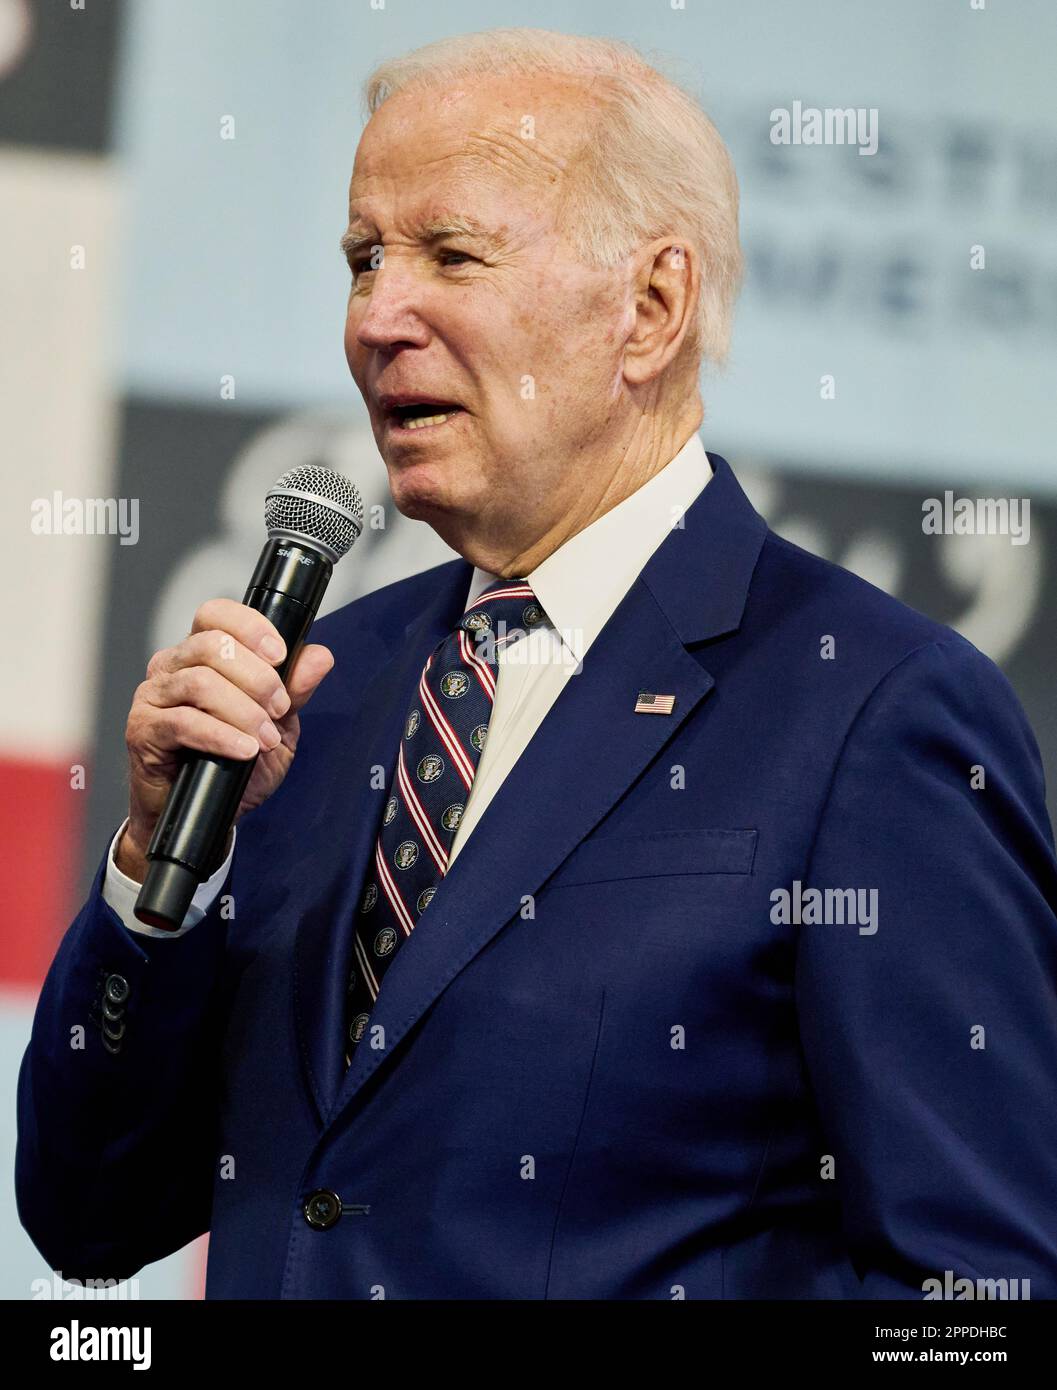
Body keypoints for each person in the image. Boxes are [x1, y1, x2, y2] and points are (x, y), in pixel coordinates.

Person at [16, 28, 1057, 1300]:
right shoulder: (316, 694)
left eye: (451, 253)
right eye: (362, 260)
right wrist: (150, 874)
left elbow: (979, 1295)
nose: (376, 318)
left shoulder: (870, 708)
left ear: (650, 308)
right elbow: (86, 1211)